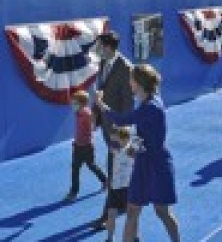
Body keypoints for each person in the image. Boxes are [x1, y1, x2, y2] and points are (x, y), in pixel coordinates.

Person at [97, 64, 180, 242]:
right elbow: (143, 134)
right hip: (143, 163)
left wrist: (101, 105)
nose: (129, 83)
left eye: (131, 79)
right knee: (133, 210)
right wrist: (136, 146)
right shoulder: (146, 100)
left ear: (138, 82)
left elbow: (122, 120)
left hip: (157, 165)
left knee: (162, 211)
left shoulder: (151, 106)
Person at [91, 31, 133, 228]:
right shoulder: (103, 63)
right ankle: (124, 203)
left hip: (117, 128)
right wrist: (95, 115)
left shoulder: (125, 67)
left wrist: (123, 130)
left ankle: (108, 215)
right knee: (120, 169)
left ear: (107, 47)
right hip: (107, 124)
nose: (97, 49)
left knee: (113, 170)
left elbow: (128, 101)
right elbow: (102, 92)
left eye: (99, 45)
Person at [65, 90, 106, 202]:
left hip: (87, 146)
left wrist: (94, 118)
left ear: (82, 103)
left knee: (91, 165)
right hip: (78, 145)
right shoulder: (78, 113)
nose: (72, 104)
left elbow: (94, 125)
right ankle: (73, 192)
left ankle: (105, 180)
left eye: (74, 102)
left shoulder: (86, 113)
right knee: (75, 169)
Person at [103, 125, 136, 242]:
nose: (113, 141)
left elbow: (137, 143)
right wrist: (108, 179)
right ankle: (109, 239)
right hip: (115, 187)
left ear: (125, 139)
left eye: (116, 139)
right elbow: (112, 167)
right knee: (111, 214)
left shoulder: (131, 150)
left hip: (127, 188)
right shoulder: (114, 150)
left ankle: (135, 237)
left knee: (131, 215)